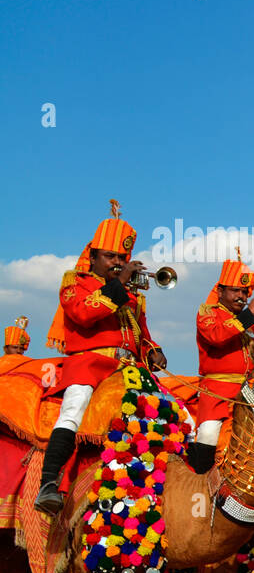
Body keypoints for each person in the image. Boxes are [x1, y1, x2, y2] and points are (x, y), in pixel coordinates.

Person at [36, 201, 166, 515]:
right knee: (73, 408)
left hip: (130, 369)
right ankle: (48, 484)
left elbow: (140, 333)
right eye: (110, 256)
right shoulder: (74, 283)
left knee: (174, 415)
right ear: (93, 256)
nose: (118, 262)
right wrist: (119, 286)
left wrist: (153, 350)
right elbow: (83, 313)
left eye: (123, 257)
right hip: (89, 364)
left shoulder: (133, 295)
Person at [190, 254, 254, 474]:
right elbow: (216, 336)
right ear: (221, 291)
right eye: (235, 290)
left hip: (248, 396)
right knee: (208, 433)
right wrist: (249, 314)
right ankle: (198, 484)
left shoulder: (252, 326)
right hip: (216, 394)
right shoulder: (208, 313)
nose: (241, 296)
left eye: (245, 292)